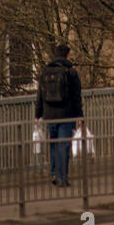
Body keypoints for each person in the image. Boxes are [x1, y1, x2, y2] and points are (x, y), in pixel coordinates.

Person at [35, 43, 83, 187]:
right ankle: (63, 177)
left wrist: (37, 115)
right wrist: (80, 116)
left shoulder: (45, 72)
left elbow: (40, 96)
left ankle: (54, 173)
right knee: (64, 146)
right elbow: (76, 97)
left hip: (49, 115)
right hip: (66, 114)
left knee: (54, 145)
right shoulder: (71, 72)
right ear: (67, 55)